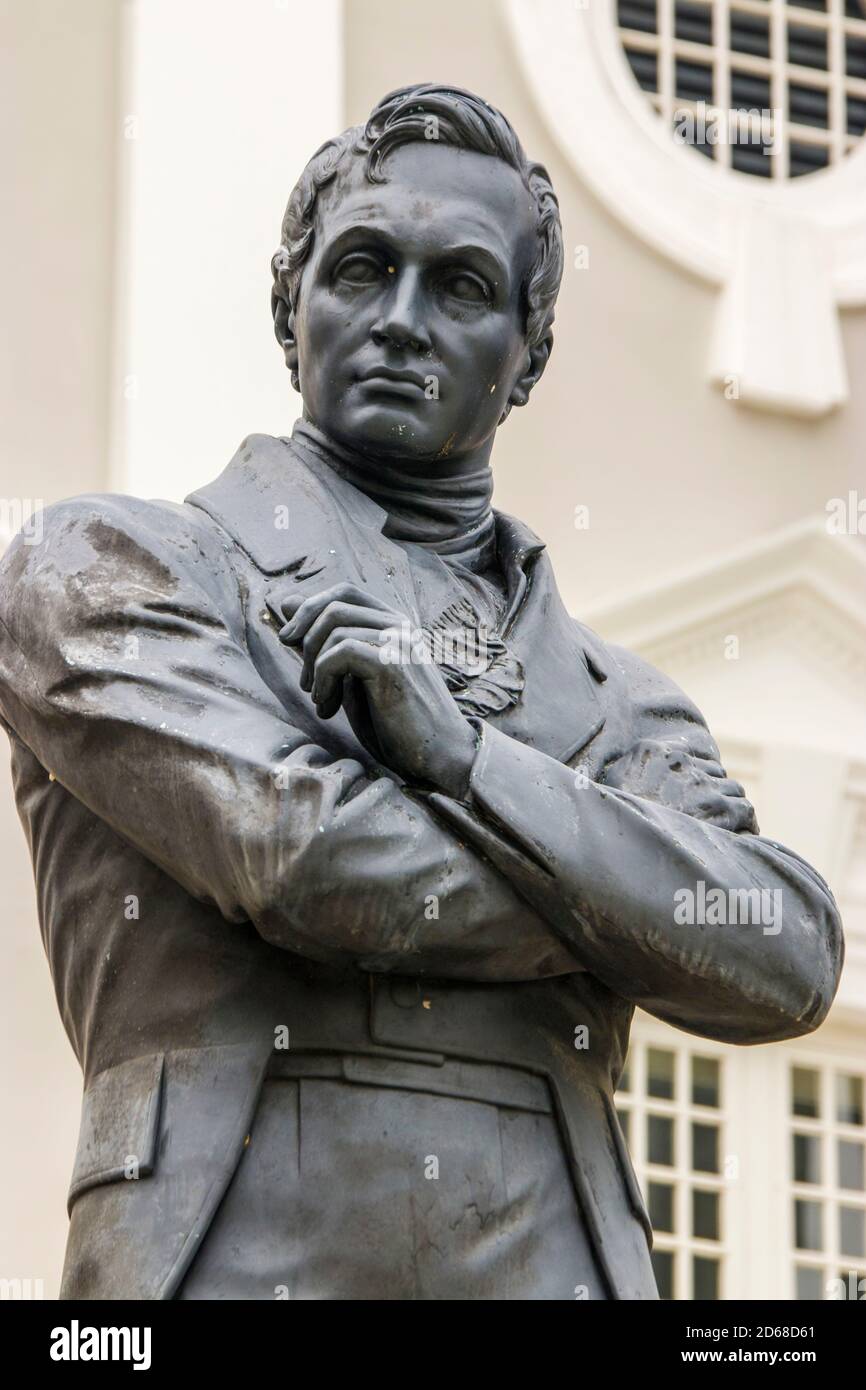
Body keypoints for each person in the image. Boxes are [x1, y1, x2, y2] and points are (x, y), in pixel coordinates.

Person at [0, 84, 843, 1300]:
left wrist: (465, 761)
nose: (401, 320)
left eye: (458, 287)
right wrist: (631, 914)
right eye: (360, 268)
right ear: (288, 301)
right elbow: (298, 857)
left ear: (527, 352)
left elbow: (787, 952)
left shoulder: (621, 698)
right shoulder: (101, 568)